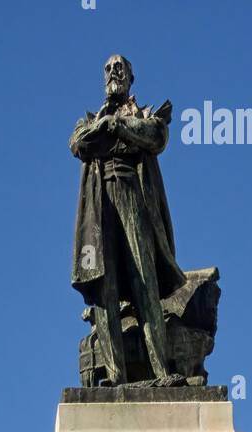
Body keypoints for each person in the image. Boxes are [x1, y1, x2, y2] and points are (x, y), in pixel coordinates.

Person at [69, 54, 186, 387]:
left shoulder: (144, 114)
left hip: (133, 196)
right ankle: (115, 374)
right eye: (107, 68)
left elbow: (154, 136)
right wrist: (104, 124)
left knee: (144, 281)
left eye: (119, 67)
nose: (113, 72)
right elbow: (79, 143)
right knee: (103, 286)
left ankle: (161, 371)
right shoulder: (90, 118)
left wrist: (118, 126)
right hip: (99, 205)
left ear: (131, 77)